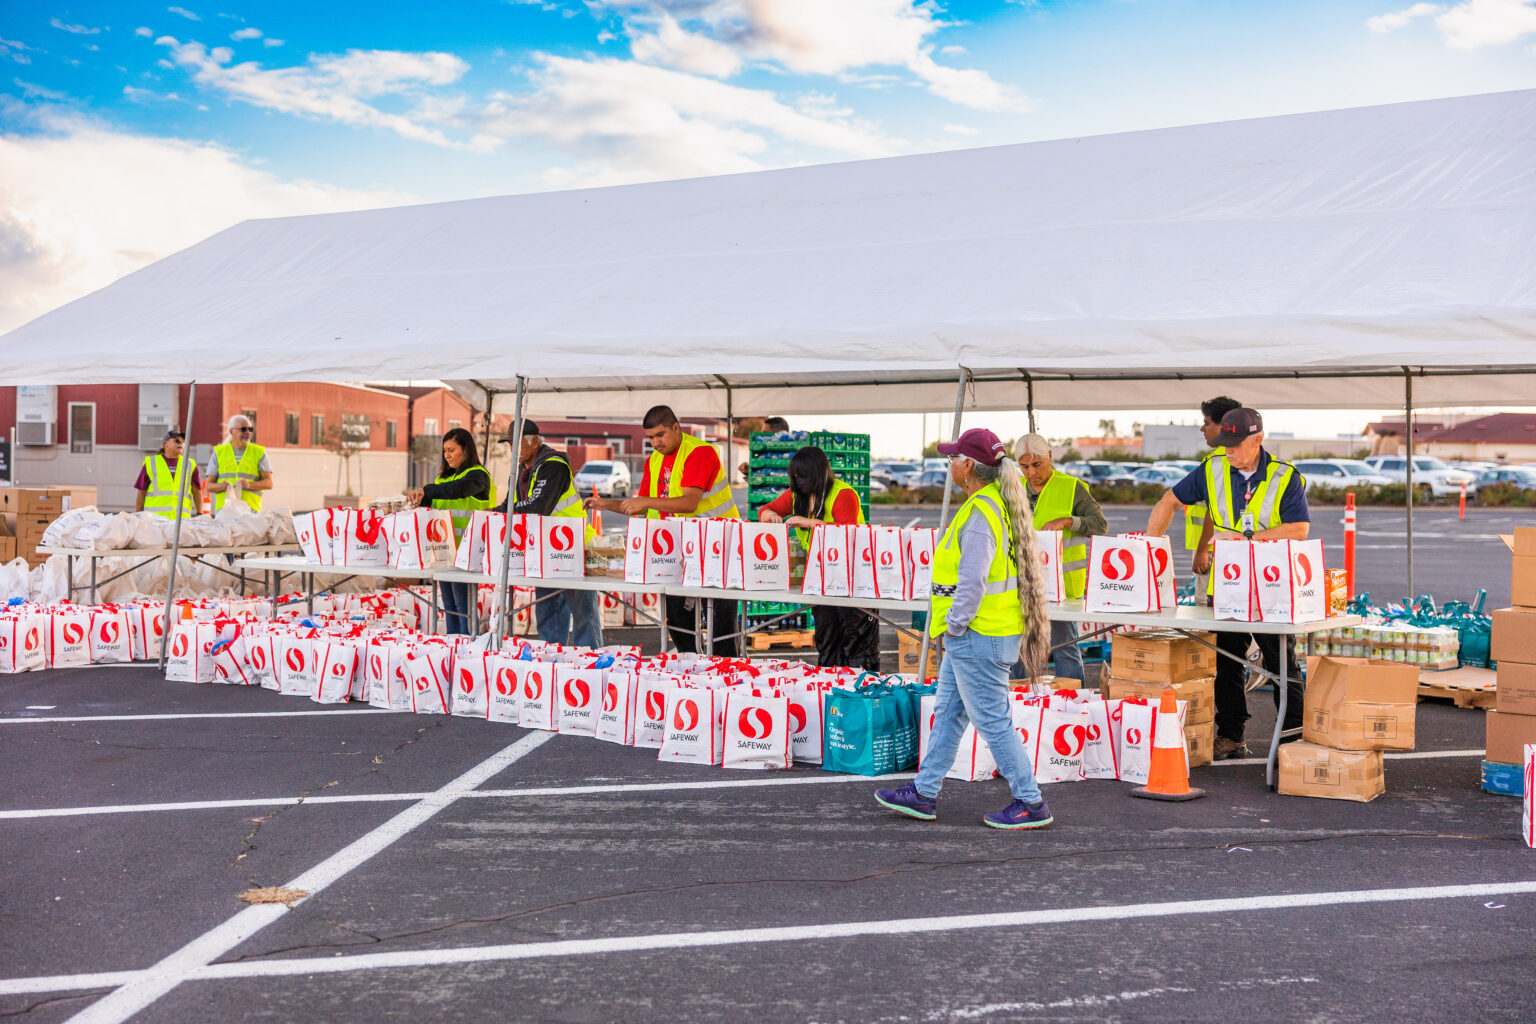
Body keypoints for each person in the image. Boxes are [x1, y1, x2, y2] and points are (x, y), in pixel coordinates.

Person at [875, 428, 1055, 830]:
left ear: (968, 466)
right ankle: (924, 793)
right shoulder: (997, 505)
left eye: (953, 458)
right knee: (950, 713)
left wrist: (954, 626)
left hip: (977, 634)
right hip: (986, 633)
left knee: (992, 721)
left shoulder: (979, 513)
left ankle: (1031, 801)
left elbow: (972, 581)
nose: (950, 465)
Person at [1145, 408, 1310, 760]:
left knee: (1282, 665)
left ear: (1258, 439)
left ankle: (1293, 743)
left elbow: (1299, 529)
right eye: (1225, 443)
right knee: (1227, 662)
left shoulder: (1285, 476)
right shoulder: (1213, 468)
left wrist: (1248, 539)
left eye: (1235, 444)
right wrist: (1148, 547)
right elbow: (1168, 502)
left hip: (1272, 589)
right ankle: (1232, 735)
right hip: (1228, 587)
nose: (1228, 450)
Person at [586, 405, 741, 655]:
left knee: (721, 628)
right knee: (678, 620)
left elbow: (688, 503)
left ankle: (727, 672)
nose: (656, 443)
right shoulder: (654, 460)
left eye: (660, 435)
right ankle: (691, 665)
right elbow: (642, 507)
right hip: (677, 552)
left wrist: (644, 502)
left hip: (717, 548)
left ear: (676, 428)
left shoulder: (700, 452)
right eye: (650, 438)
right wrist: (606, 504)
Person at [758, 445, 877, 670]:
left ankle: (860, 685)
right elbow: (765, 510)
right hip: (821, 579)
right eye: (794, 477)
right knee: (827, 639)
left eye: (802, 476)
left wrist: (810, 522)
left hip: (854, 580)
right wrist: (770, 515)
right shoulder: (796, 495)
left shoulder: (842, 494)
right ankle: (829, 683)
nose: (798, 482)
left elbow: (846, 532)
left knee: (856, 645)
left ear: (816, 474)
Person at [493, 421, 602, 649]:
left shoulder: (554, 466)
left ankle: (591, 659)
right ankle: (553, 657)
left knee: (583, 613)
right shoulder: (520, 472)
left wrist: (500, 511)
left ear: (534, 441)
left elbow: (537, 506)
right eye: (511, 444)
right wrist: (493, 512)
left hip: (574, 548)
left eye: (518, 443)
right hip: (545, 551)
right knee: (548, 612)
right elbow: (510, 505)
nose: (513, 450)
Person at [1012, 433, 1107, 682]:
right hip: (1022, 583)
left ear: (1050, 457)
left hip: (1062, 587)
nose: (1031, 472)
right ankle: (1016, 695)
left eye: (1037, 464)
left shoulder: (1072, 487)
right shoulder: (1013, 489)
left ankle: (1073, 697)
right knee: (1018, 647)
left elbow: (1100, 524)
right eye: (1024, 466)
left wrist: (1068, 521)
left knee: (1064, 646)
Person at [407, 428, 495, 635]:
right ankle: (454, 644)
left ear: (466, 450)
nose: (446, 455)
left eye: (451, 450)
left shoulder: (478, 476)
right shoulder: (442, 480)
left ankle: (468, 645)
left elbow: (459, 489)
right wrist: (420, 501)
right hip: (444, 554)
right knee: (449, 607)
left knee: (463, 608)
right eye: (444, 450)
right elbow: (432, 509)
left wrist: (428, 490)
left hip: (467, 554)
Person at [1185, 396, 1242, 603]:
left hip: (1213, 551)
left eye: (1207, 423)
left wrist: (1203, 550)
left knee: (1207, 608)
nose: (1203, 429)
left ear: (1224, 426)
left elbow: (1215, 508)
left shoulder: (1219, 461)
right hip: (1225, 550)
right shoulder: (1240, 457)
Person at [206, 415, 273, 512]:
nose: (248, 432)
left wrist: (249, 485)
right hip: (224, 512)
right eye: (243, 429)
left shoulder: (259, 452)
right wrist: (221, 486)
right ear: (231, 431)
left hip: (250, 511)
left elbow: (269, 483)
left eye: (250, 429)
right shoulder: (219, 452)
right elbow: (209, 485)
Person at [134, 429, 200, 518]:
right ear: (166, 444)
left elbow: (197, 491)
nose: (181, 443)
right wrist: (138, 515)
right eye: (177, 441)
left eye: (183, 441)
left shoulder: (190, 464)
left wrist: (200, 512)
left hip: (181, 520)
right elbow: (141, 492)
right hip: (155, 520)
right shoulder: (151, 463)